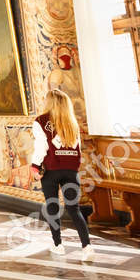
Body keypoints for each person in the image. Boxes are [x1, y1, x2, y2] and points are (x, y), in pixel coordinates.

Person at [29, 87, 91, 258]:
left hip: (51, 170)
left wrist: (35, 166)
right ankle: (87, 247)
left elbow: (41, 146)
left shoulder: (41, 121)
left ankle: (58, 245)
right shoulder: (72, 122)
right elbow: (77, 148)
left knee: (53, 207)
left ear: (49, 103)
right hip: (71, 170)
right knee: (74, 209)